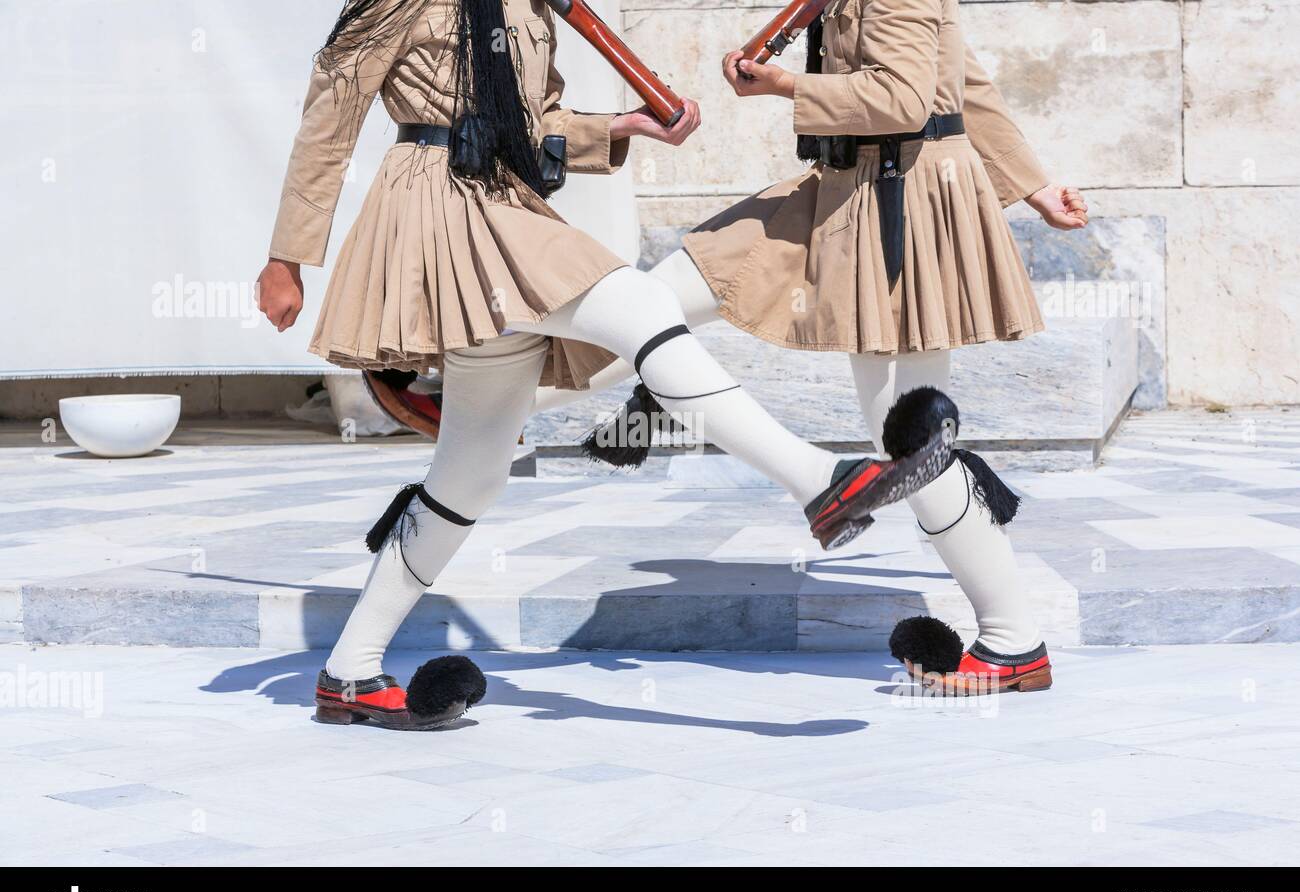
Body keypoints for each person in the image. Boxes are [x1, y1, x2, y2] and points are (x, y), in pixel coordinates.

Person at [255, 0, 951, 728]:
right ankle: (817, 480)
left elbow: (536, 123)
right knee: (644, 305)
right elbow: (329, 121)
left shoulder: (529, 7)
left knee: (470, 470)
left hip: (503, 200)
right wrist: (286, 257)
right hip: (437, 205)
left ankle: (348, 670)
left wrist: (622, 128)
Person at [531, 0, 1089, 694]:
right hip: (836, 189)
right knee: (652, 299)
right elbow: (963, 75)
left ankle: (1014, 641)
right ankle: (484, 399)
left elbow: (909, 97)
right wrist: (1034, 185)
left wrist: (785, 86)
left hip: (896, 206)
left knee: (912, 443)